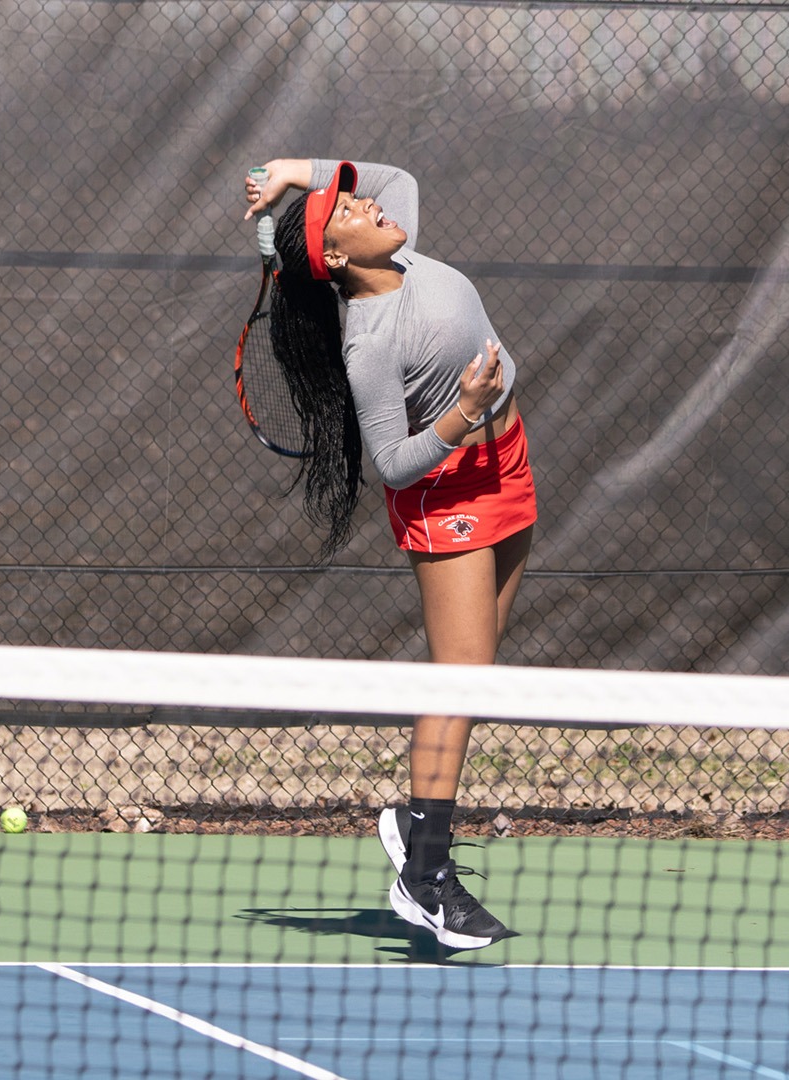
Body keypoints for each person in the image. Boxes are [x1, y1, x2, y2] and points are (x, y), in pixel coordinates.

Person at [243, 159, 536, 950]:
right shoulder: (371, 342)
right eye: (348, 212)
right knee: (458, 680)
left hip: (506, 462)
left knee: (474, 674)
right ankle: (426, 877)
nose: (369, 202)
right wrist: (460, 417)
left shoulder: (397, 243)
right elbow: (392, 464)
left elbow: (395, 172)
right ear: (338, 257)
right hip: (448, 492)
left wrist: (290, 173)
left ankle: (415, 819)